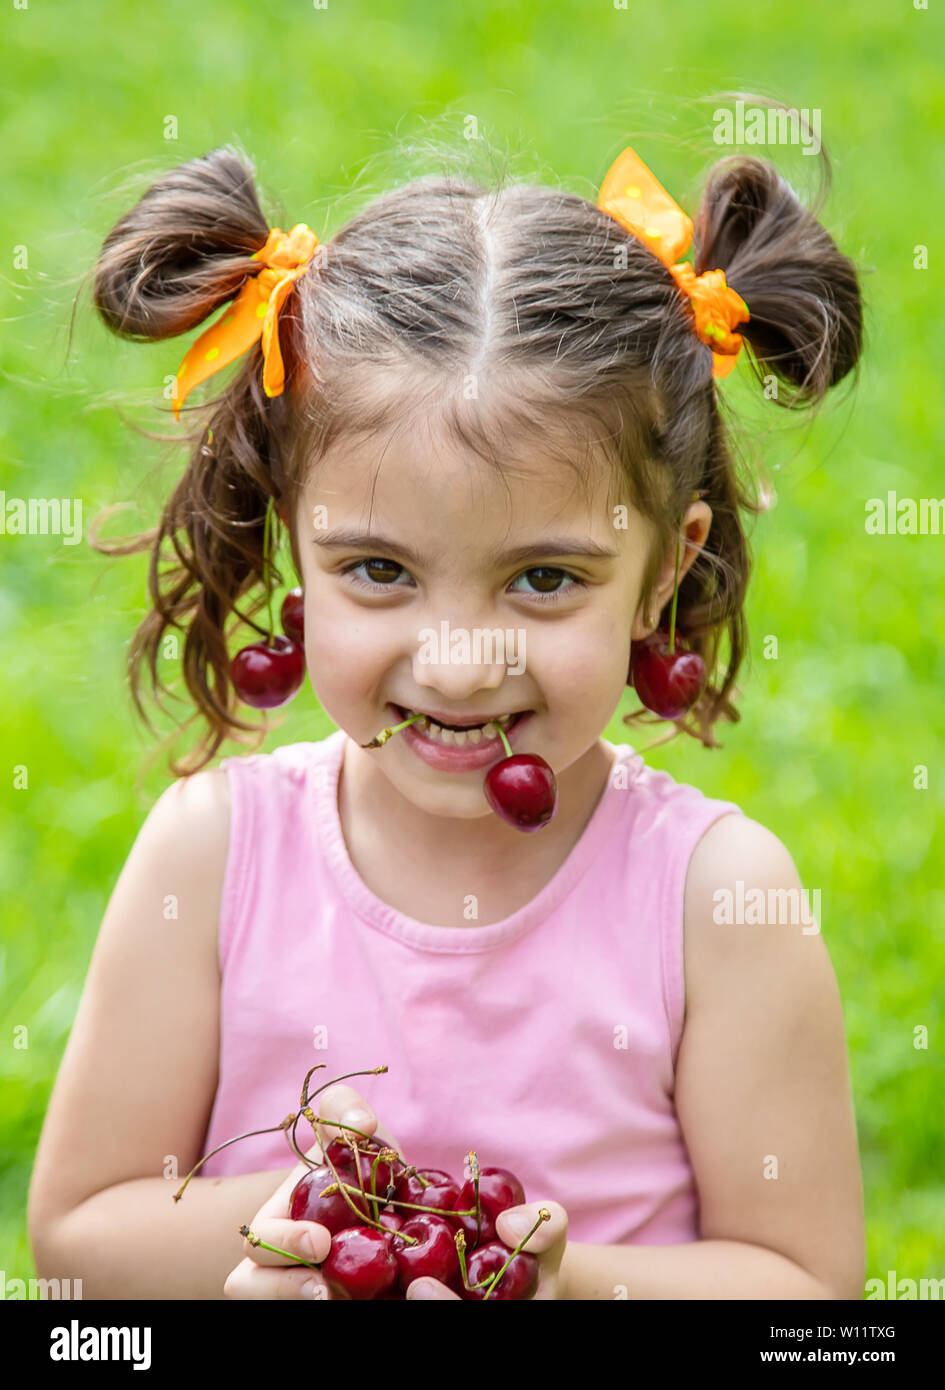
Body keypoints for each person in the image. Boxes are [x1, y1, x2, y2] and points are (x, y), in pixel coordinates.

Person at [28, 127, 866, 1300]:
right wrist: (310, 1223)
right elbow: (79, 1235)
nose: (461, 663)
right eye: (379, 570)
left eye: (543, 579)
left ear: (664, 573)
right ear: (293, 547)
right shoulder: (215, 854)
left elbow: (807, 1293)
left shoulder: (719, 900)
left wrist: (559, 1286)